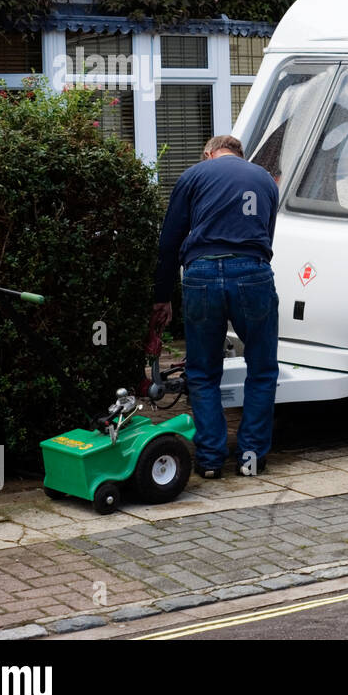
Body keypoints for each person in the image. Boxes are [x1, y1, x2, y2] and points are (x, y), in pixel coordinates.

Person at [152, 135, 280, 478]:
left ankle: (209, 461)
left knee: (203, 372)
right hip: (253, 273)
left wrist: (162, 296)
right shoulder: (265, 179)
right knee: (263, 369)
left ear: (209, 153)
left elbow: (168, 242)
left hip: (202, 273)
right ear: (240, 155)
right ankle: (251, 458)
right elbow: (266, 236)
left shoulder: (194, 175)